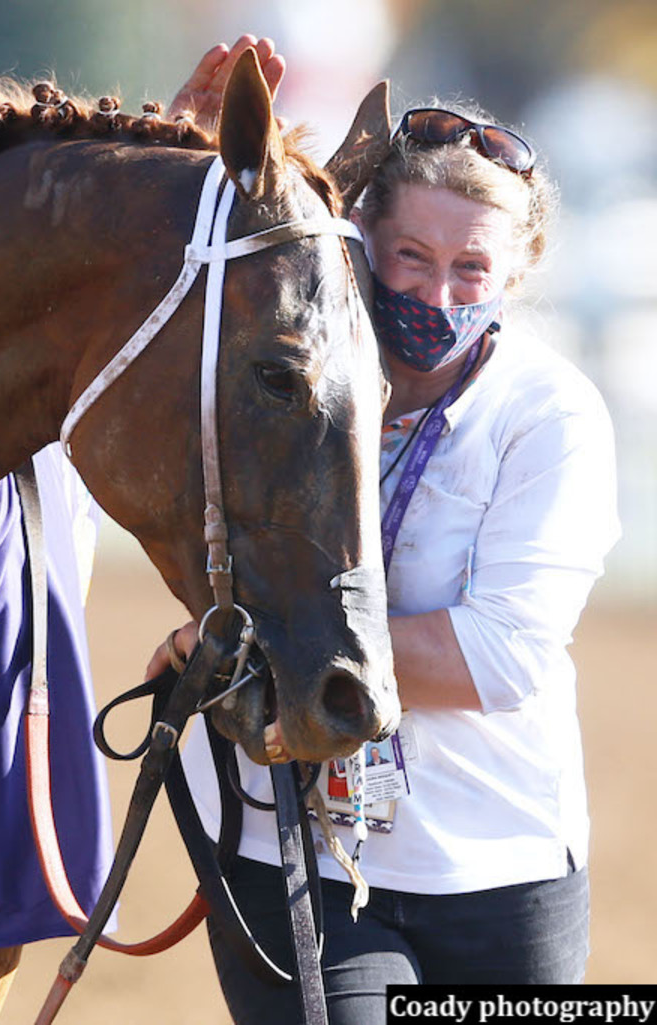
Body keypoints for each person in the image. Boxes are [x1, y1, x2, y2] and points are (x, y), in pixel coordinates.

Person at [156, 37, 620, 1022]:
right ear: (362, 234)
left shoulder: (551, 413)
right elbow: (175, 274)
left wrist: (268, 646)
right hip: (292, 855)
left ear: (519, 269)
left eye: (470, 268)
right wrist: (184, 145)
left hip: (502, 868)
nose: (436, 293)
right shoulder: (277, 374)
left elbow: (499, 656)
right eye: (411, 257)